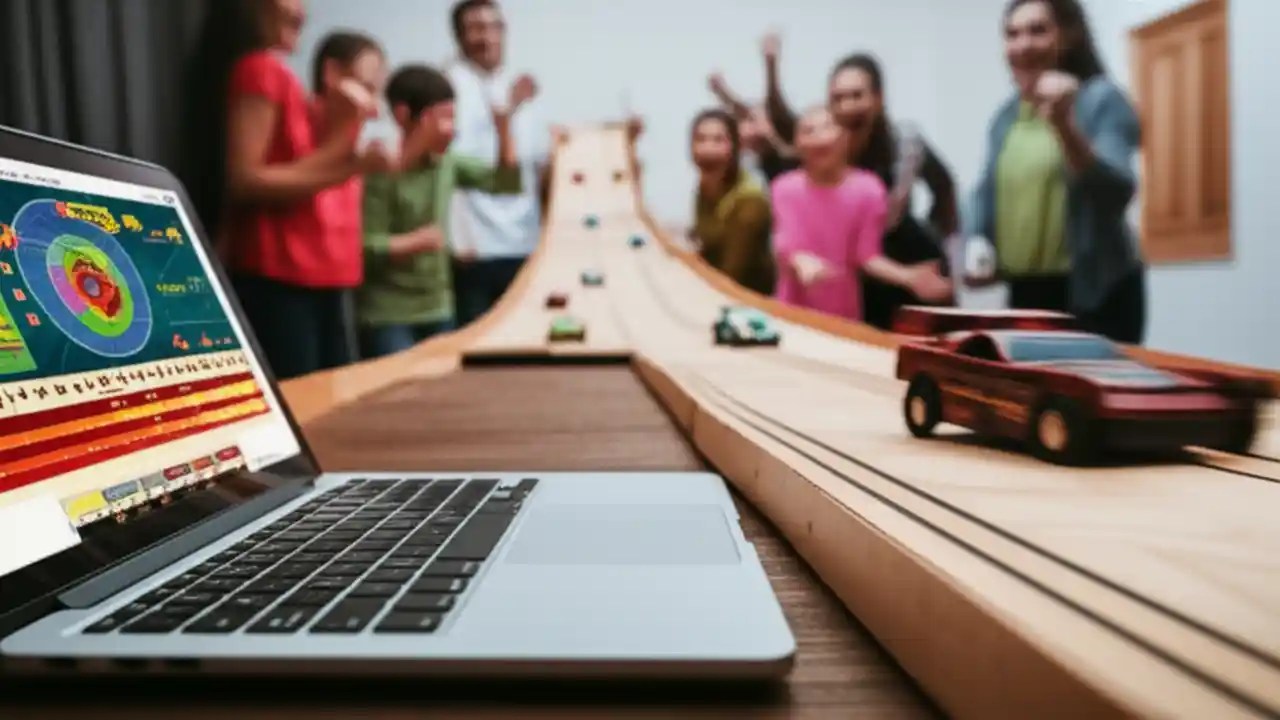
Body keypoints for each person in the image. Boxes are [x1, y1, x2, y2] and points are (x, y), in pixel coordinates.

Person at [221, 0, 391, 380]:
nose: (300, 11)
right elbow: (246, 179)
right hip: (281, 275)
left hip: (323, 277)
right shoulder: (262, 70)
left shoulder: (290, 85)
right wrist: (353, 162)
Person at [969, 0, 1145, 343]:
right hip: (1027, 296)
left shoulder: (1100, 99)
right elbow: (985, 192)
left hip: (1094, 294)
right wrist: (977, 242)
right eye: (1012, 34)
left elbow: (1117, 191)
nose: (1023, 44)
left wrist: (1064, 125)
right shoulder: (1005, 118)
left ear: (1068, 36)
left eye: (1038, 30)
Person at [358, 65, 533, 359]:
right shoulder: (377, 170)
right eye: (442, 118)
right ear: (403, 116)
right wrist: (414, 242)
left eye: (453, 117)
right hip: (387, 315)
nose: (452, 129)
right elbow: (362, 246)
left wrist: (504, 128)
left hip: (439, 308)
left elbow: (506, 183)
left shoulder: (446, 163)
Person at [770, 106, 952, 321]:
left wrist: (910, 277)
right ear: (797, 144)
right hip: (791, 312)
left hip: (844, 315)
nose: (819, 138)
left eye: (827, 127)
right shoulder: (784, 189)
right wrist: (801, 262)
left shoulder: (869, 189)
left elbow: (866, 256)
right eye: (809, 131)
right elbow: (786, 245)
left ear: (845, 137)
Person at [444, 0, 549, 327]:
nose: (487, 37)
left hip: (523, 244)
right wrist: (457, 237)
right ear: (459, 37)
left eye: (494, 27)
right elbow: (450, 166)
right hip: (475, 249)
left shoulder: (516, 85)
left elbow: (535, 166)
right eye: (476, 29)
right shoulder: (448, 86)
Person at [689, 109, 775, 296]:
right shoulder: (704, 188)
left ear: (735, 147)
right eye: (701, 139)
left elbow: (732, 275)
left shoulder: (749, 200)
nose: (708, 148)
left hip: (749, 300)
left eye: (718, 140)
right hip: (714, 288)